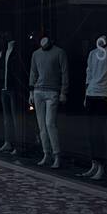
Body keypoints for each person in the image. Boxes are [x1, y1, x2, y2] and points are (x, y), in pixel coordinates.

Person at [29, 35, 69, 167]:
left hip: (52, 91)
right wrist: (31, 92)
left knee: (50, 124)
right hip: (38, 91)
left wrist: (63, 92)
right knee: (42, 126)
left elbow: (65, 73)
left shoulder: (59, 52)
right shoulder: (36, 54)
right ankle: (46, 153)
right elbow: (33, 72)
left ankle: (57, 155)